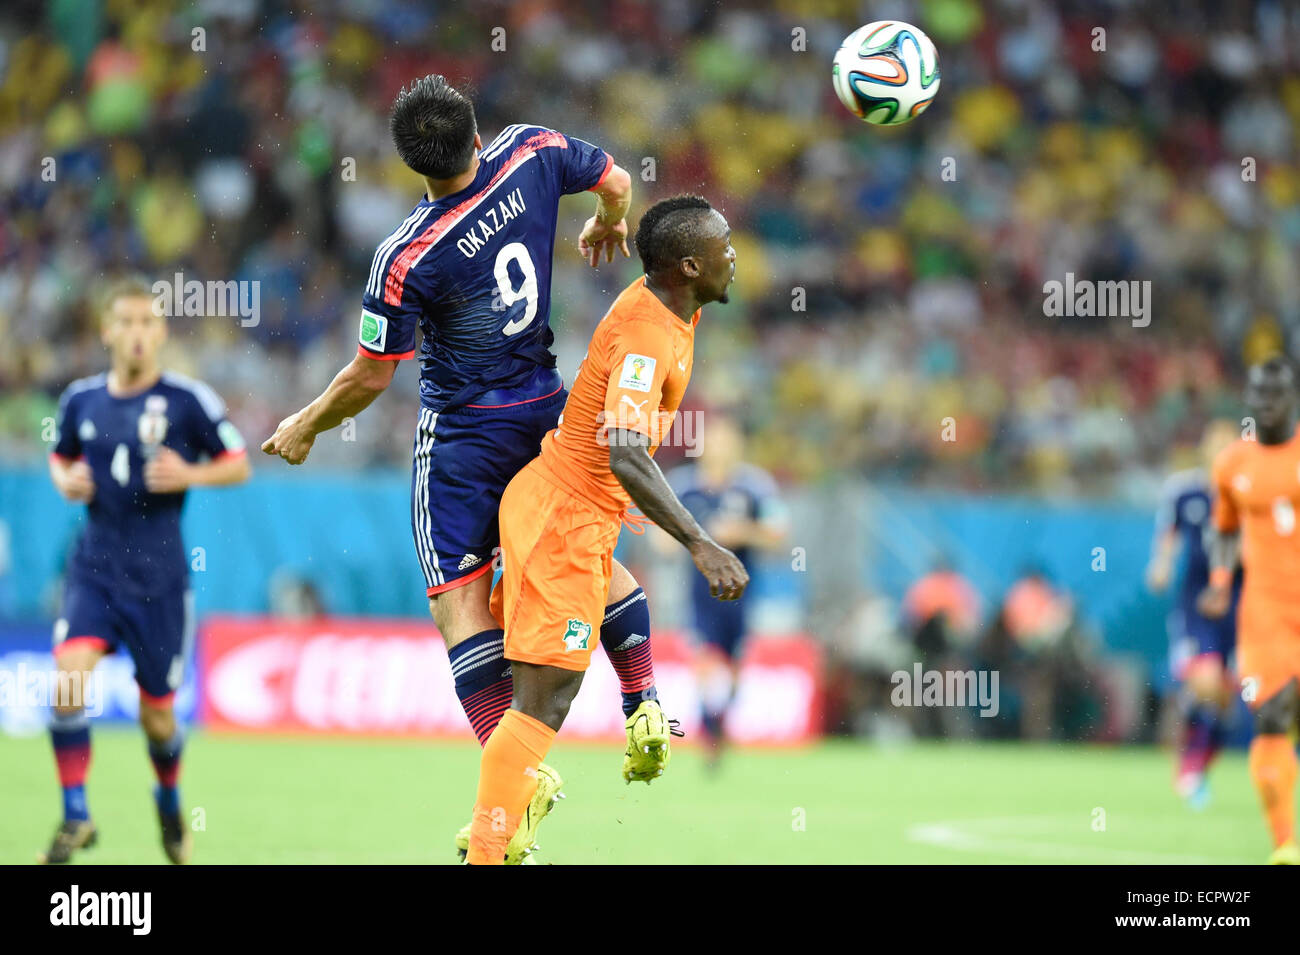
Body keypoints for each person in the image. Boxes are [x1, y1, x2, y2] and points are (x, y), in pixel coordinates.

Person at [260, 76, 652, 863]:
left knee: (461, 604)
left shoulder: (406, 255)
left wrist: (304, 423)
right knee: (586, 556)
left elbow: (373, 375)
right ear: (477, 135)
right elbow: (617, 181)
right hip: (548, 412)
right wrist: (609, 224)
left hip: (466, 444)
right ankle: (643, 696)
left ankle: (516, 777)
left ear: (412, 163)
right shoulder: (533, 151)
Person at [466, 195, 745, 865]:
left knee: (624, 599)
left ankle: (640, 701)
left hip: (583, 514)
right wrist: (700, 541)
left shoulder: (679, 304)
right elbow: (625, 450)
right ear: (687, 265)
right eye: (722, 246)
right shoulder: (651, 332)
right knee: (543, 703)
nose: (733, 255)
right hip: (563, 516)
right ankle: (485, 849)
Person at [43, 276, 251, 864]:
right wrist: (66, 481)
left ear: (161, 331)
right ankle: (76, 816)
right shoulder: (80, 400)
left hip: (159, 583)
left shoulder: (188, 401)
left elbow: (237, 464)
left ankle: (167, 797)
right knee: (66, 683)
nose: (137, 333)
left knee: (157, 718)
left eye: (148, 322)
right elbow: (59, 459)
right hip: (94, 571)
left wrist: (190, 474)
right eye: (126, 322)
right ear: (107, 330)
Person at [1200, 356, 1300, 864]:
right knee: (1272, 715)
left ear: (1293, 397)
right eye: (1257, 394)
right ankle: (1285, 844)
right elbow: (1222, 529)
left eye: (1275, 394)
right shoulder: (1232, 464)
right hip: (1264, 612)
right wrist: (1220, 581)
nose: (1265, 403)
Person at [671, 412, 786, 767]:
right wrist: (695, 539)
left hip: (741, 591)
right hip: (700, 591)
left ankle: (720, 720)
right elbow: (661, 539)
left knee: (736, 665)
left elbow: (778, 534)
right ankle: (709, 727)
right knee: (704, 659)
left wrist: (742, 533)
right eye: (713, 439)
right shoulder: (682, 486)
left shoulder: (756, 486)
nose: (719, 446)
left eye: (726, 439)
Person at [1146, 419, 1242, 808]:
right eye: (1215, 445)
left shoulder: (1248, 494)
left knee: (1225, 699)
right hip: (1197, 602)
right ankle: (1189, 764)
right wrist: (1161, 565)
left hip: (1241, 602)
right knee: (1204, 681)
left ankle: (1197, 765)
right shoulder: (1183, 492)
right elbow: (1167, 537)